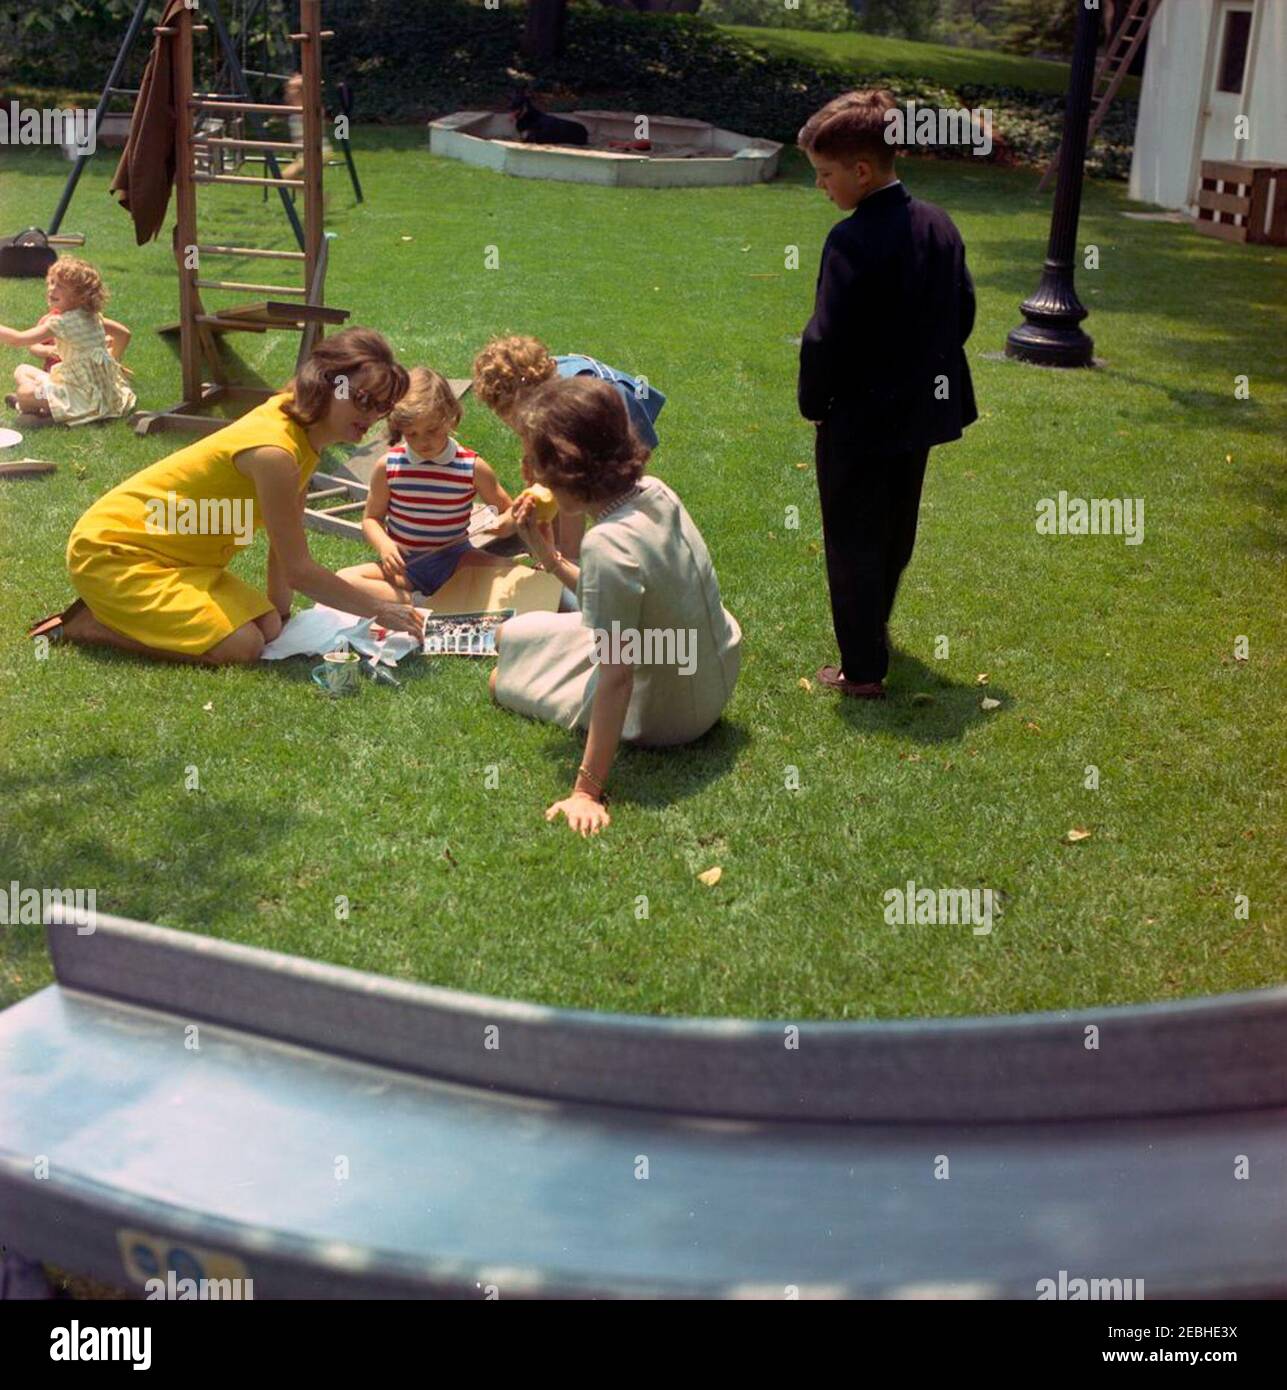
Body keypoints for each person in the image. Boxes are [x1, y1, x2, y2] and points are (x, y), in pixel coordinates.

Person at [29, 328, 424, 664]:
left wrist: (283, 616)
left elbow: (285, 550)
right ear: (326, 381)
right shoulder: (276, 452)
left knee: (268, 626)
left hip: (180, 561)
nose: (372, 415)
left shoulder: (303, 435)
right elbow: (299, 570)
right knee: (244, 647)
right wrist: (381, 610)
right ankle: (87, 626)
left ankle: (122, 616)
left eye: (383, 406)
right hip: (114, 553)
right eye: (363, 399)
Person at [489, 375, 740, 836]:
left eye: (534, 459)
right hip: (704, 667)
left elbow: (617, 675)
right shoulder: (656, 491)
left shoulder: (605, 542)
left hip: (672, 710)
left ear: (564, 467)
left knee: (499, 677)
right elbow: (620, 601)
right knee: (508, 635)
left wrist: (585, 790)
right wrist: (550, 559)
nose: (528, 472)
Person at [797, 88, 977, 700]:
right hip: (920, 410)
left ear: (861, 170)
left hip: (858, 415)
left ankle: (862, 668)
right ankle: (873, 630)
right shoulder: (941, 224)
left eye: (825, 175)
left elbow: (825, 338)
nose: (822, 187)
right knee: (895, 526)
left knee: (851, 537)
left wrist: (814, 404)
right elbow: (965, 312)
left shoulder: (850, 240)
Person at [471, 334, 665, 562]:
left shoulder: (569, 408)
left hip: (615, 409)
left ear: (530, 396)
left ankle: (622, 552)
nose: (512, 424)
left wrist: (566, 560)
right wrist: (521, 516)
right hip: (577, 403)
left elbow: (570, 493)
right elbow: (543, 475)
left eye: (513, 417)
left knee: (615, 497)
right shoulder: (533, 390)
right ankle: (557, 554)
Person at [336, 367, 514, 604]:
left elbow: (511, 511)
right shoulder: (389, 467)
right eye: (412, 434)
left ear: (450, 417)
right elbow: (371, 519)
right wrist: (385, 545)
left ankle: (428, 601)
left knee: (517, 573)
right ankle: (422, 603)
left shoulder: (471, 467)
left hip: (457, 562)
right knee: (344, 580)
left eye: (432, 430)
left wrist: (503, 524)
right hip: (407, 565)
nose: (423, 442)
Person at [1, 257, 136, 424]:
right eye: (51, 282)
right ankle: (40, 403)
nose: (52, 289)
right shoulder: (93, 316)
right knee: (23, 370)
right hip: (99, 391)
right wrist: (112, 361)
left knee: (24, 392)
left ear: (81, 296)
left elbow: (18, 339)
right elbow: (124, 334)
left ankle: (45, 416)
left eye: (60, 286)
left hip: (78, 395)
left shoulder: (61, 323)